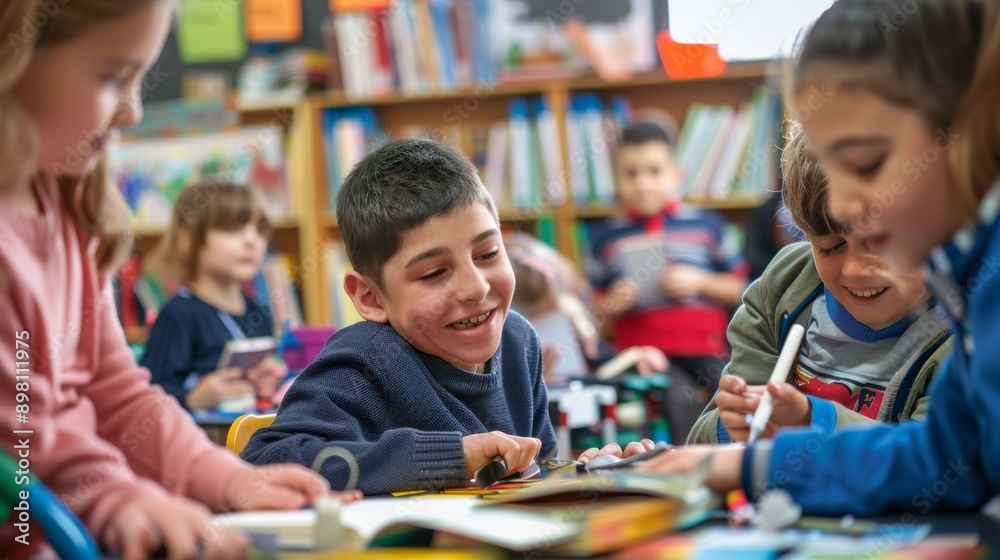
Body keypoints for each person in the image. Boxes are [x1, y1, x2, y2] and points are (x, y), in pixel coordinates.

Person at [594, 0, 1000, 515]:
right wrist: (737, 465)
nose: (847, 204)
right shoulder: (961, 272)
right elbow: (945, 459)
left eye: (866, 162)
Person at [0, 0, 360, 557]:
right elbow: (24, 442)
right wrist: (119, 500)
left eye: (140, 78)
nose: (133, 111)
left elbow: (121, 399)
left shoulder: (72, 205)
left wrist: (230, 480)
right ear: (14, 52)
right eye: (113, 76)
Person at [241, 139, 556, 495]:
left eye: (488, 253)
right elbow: (264, 461)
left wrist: (592, 472)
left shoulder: (519, 341)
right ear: (371, 297)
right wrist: (447, 457)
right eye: (434, 273)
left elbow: (538, 470)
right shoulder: (366, 359)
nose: (475, 288)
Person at [686, 123, 952, 444]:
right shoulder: (784, 285)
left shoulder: (969, 327)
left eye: (877, 242)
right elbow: (703, 436)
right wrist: (737, 425)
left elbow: (933, 464)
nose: (854, 270)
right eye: (829, 247)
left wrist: (812, 420)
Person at [587, 120, 749, 440]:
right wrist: (613, 303)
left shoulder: (707, 225)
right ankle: (690, 465)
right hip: (645, 355)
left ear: (676, 174)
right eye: (631, 173)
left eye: (654, 171)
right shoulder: (605, 237)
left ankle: (734, 461)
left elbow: (741, 288)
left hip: (708, 349)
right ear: (617, 178)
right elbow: (591, 311)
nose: (642, 183)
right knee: (676, 397)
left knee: (735, 389)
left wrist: (700, 282)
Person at [141, 182, 284, 412]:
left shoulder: (258, 311)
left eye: (259, 230)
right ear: (189, 240)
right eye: (234, 229)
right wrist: (193, 399)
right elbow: (148, 397)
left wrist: (265, 384)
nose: (252, 241)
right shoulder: (179, 313)